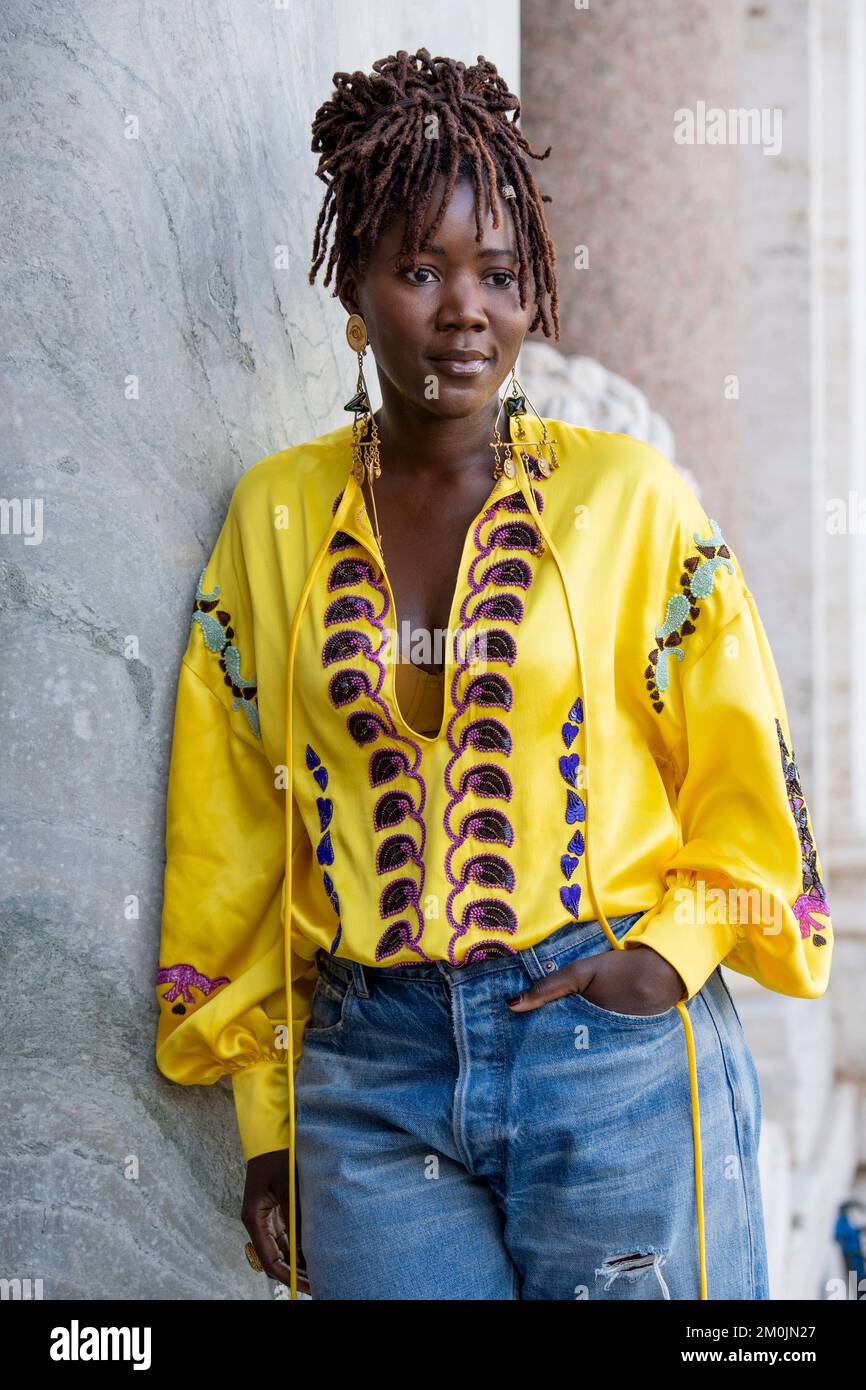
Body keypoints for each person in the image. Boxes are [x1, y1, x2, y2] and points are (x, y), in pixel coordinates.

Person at [154, 48, 833, 1301]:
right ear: (352, 293)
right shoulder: (274, 518)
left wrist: (665, 959)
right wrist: (265, 1112)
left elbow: (747, 782)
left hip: (609, 1051)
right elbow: (233, 828)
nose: (464, 308)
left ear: (533, 298)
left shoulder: (631, 500)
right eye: (418, 270)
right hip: (366, 1090)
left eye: (499, 275)